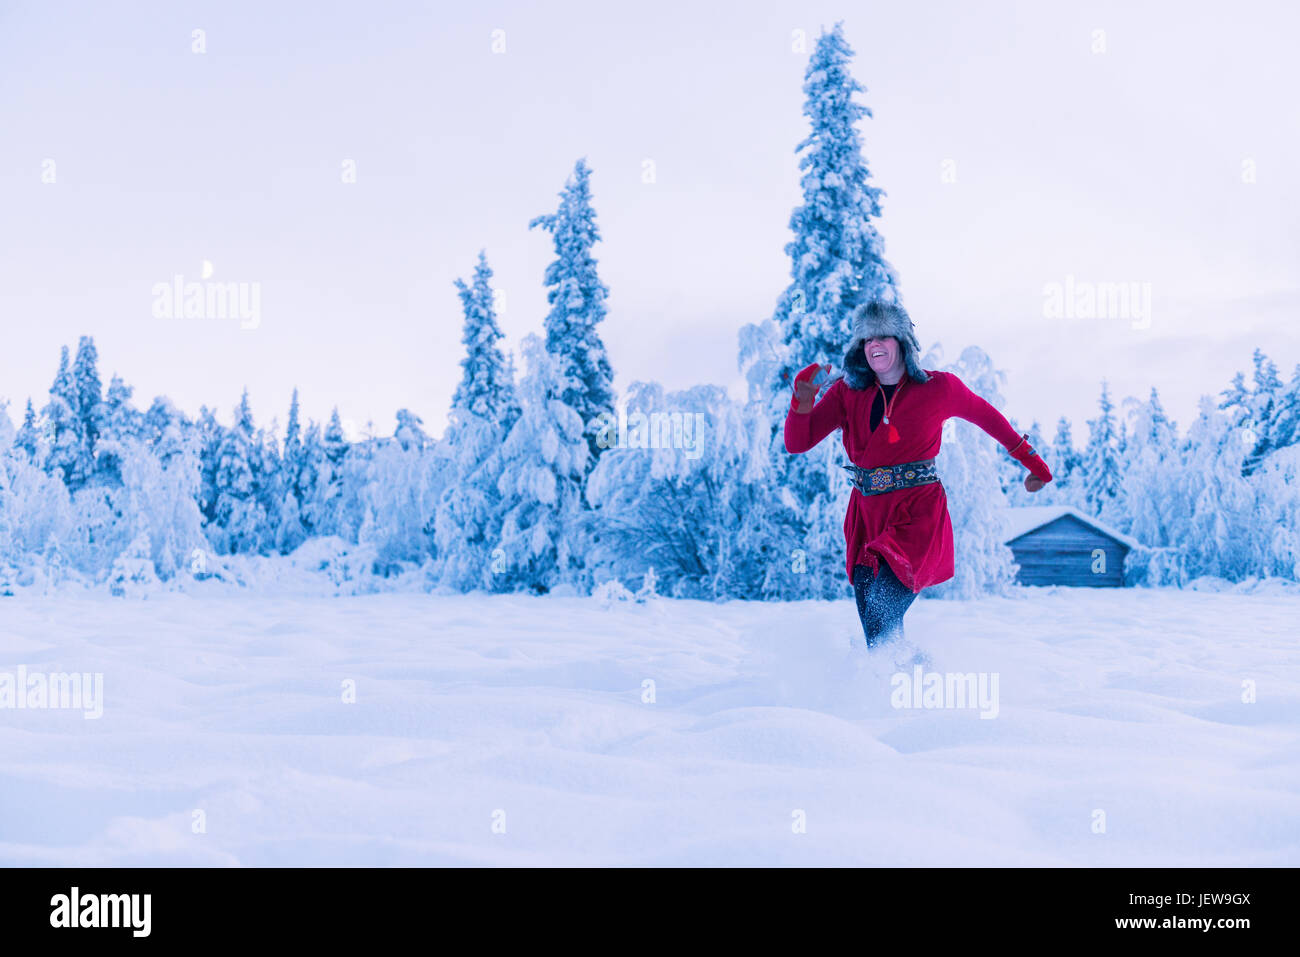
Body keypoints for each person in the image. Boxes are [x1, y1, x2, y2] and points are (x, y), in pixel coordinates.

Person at [784, 301, 1053, 648]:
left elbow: (992, 421)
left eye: (883, 337)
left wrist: (1036, 467)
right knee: (875, 625)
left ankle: (898, 684)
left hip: (917, 515)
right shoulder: (847, 393)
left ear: (903, 342)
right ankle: (899, 684)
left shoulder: (939, 389)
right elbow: (797, 442)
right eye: (866, 340)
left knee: (882, 611)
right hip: (866, 517)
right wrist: (802, 399)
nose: (874, 345)